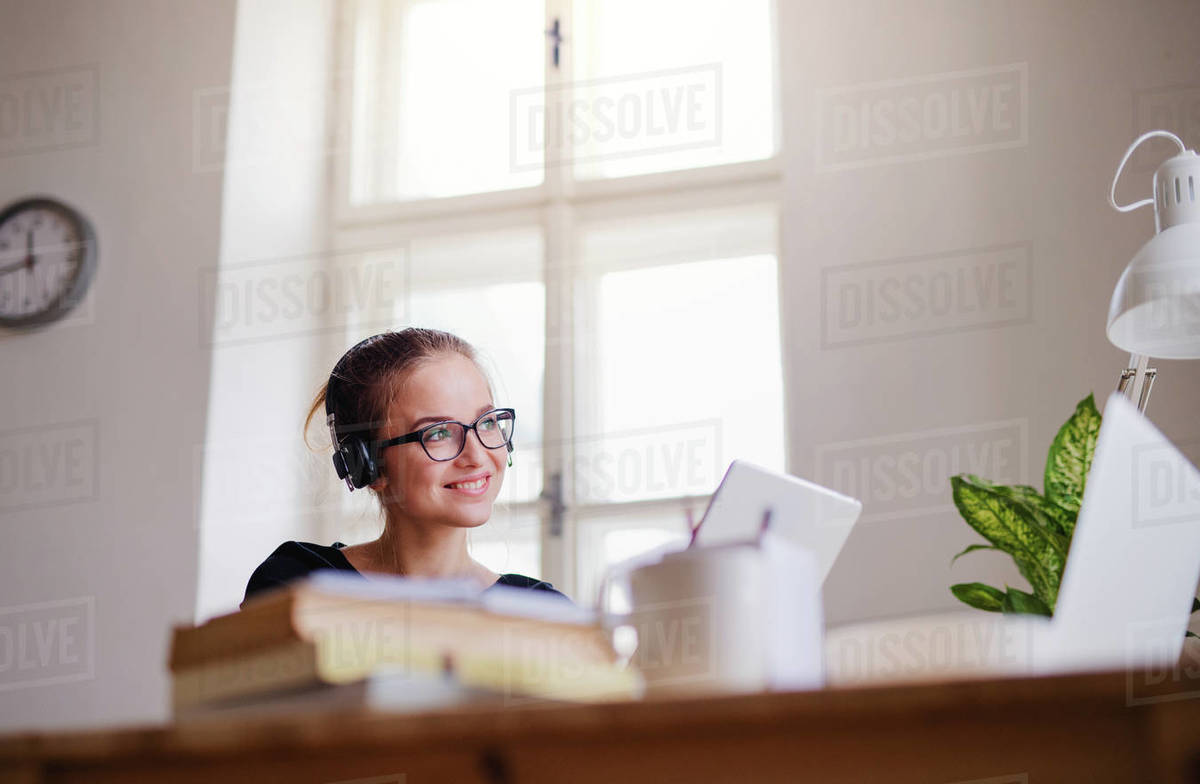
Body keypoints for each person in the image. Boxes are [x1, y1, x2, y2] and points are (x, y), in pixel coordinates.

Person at [242, 328, 569, 607]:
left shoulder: (540, 610)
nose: (477, 455)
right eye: (439, 433)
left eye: (486, 423)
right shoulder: (297, 584)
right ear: (367, 465)